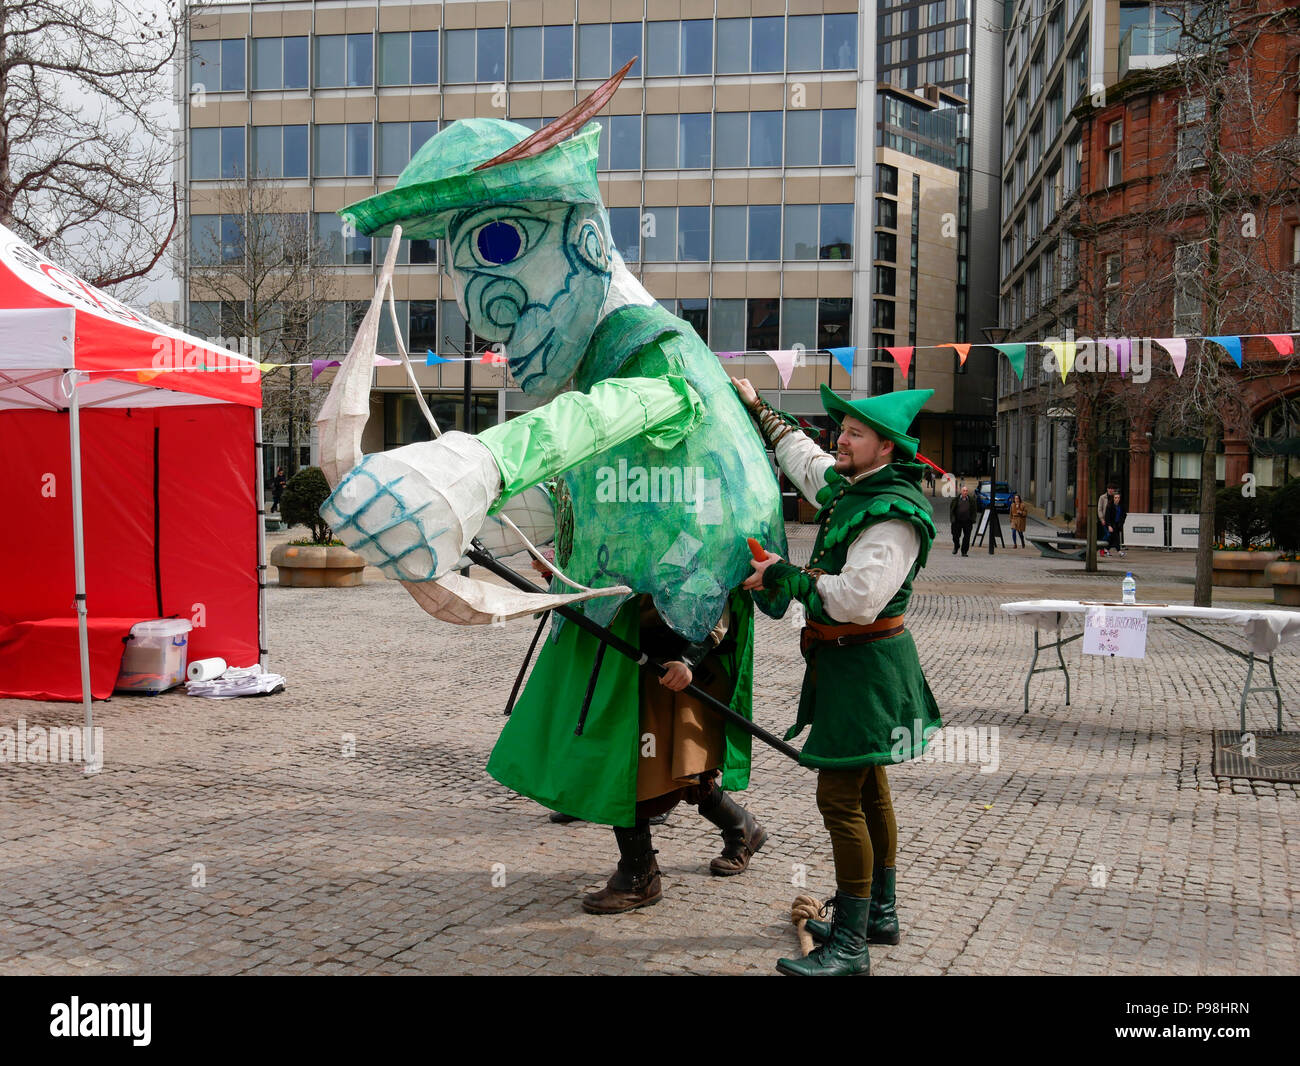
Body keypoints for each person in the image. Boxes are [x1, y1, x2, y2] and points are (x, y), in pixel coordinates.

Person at [323, 69, 780, 915]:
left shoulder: (655, 354)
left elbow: (602, 421)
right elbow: (591, 445)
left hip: (677, 599)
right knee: (639, 736)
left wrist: (478, 466)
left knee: (637, 739)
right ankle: (731, 827)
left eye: (497, 245)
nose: (483, 307)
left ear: (584, 237)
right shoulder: (603, 357)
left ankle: (641, 866)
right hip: (617, 594)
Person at [733, 378, 942, 977]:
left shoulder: (896, 512)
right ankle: (878, 913)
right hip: (851, 664)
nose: (840, 439)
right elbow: (804, 456)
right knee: (869, 786)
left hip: (866, 667)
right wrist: (757, 407)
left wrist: (787, 576)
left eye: (854, 432)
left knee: (838, 796)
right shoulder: (857, 485)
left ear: (886, 448)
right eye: (842, 429)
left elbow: (857, 600)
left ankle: (850, 945)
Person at [949, 485, 975, 556]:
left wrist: (972, 519)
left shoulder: (971, 500)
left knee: (967, 537)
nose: (965, 492)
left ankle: (964, 551)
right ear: (961, 492)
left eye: (966, 491)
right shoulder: (955, 500)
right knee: (955, 536)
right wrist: (953, 519)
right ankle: (956, 546)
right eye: (964, 491)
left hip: (967, 521)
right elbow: (952, 510)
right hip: (957, 521)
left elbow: (974, 511)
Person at [1105, 490, 1127, 557]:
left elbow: (1124, 515)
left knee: (1112, 539)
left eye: (1118, 498)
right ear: (1113, 498)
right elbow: (1107, 517)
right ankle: (1119, 552)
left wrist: (1122, 522)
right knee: (1116, 538)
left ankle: (1106, 549)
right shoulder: (1109, 506)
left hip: (1118, 524)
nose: (1117, 499)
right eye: (1115, 497)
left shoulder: (1121, 506)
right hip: (1111, 524)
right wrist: (1109, 526)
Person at [1097, 484, 1116, 557]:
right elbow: (1099, 509)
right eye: (1110, 488)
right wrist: (1101, 519)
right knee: (1107, 534)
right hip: (1105, 520)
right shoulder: (1102, 497)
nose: (1111, 490)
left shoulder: (1115, 497)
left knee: (1111, 536)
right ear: (1107, 489)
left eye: (1112, 489)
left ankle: (1104, 549)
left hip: (1112, 520)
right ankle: (1101, 548)